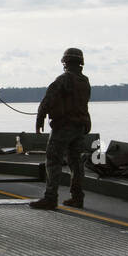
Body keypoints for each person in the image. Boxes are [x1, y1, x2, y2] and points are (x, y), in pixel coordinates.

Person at [30, 48, 92, 210]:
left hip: (63, 127)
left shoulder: (63, 80)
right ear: (81, 63)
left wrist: (40, 118)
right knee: (76, 162)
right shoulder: (84, 81)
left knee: (53, 160)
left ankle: (50, 198)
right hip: (80, 127)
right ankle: (77, 197)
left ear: (65, 62)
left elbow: (48, 99)